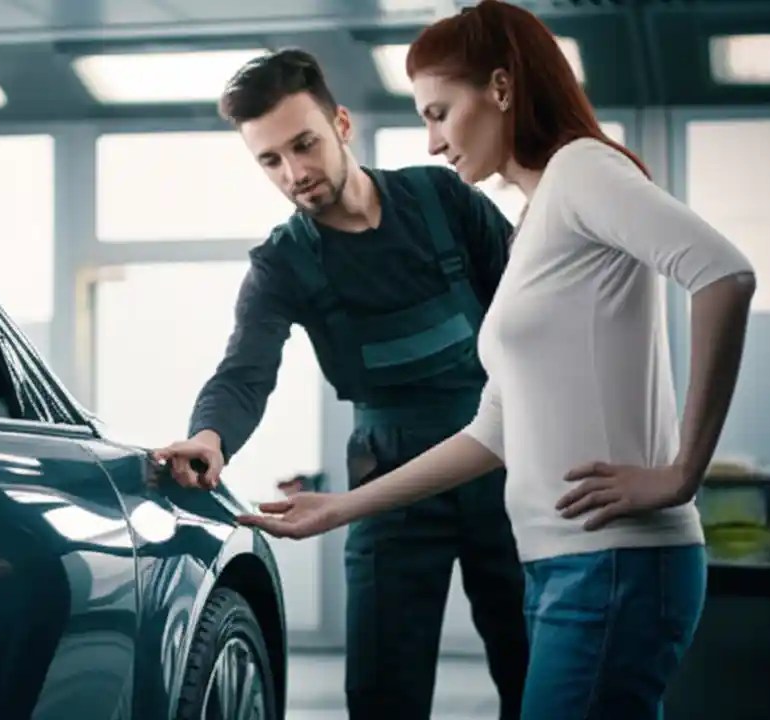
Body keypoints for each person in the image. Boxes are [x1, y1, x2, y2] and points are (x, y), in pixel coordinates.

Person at [234, 2, 758, 718]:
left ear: (502, 90)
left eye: (441, 112)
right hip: (562, 563)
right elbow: (497, 427)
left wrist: (680, 474)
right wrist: (339, 509)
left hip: (612, 563)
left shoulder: (578, 172)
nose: (432, 139)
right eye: (424, 117)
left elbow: (724, 274)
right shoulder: (538, 214)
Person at [152, 48, 529, 719]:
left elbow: (535, 311)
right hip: (388, 483)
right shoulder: (283, 263)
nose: (294, 172)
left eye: (304, 145)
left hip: (508, 458)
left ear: (342, 125)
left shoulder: (443, 201)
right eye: (270, 160)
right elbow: (244, 371)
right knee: (383, 693)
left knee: (536, 672)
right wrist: (209, 437)